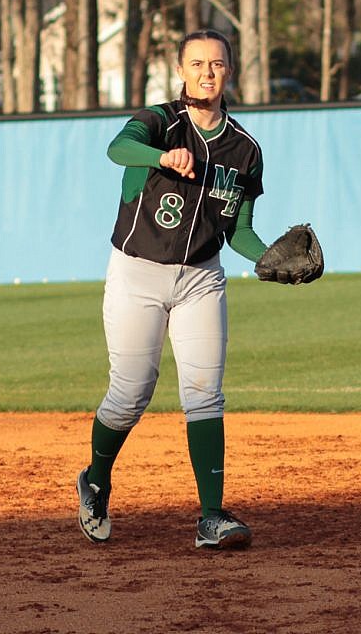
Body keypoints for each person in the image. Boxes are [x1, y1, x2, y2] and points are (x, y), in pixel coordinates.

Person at [76, 28, 271, 550]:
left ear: (230, 71)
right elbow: (119, 149)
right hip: (138, 272)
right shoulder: (160, 122)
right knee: (130, 393)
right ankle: (95, 479)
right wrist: (161, 158)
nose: (208, 72)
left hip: (202, 278)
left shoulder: (245, 150)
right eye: (197, 64)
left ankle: (212, 516)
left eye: (217, 64)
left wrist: (269, 257)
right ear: (180, 71)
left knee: (204, 393)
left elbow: (240, 232)